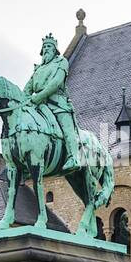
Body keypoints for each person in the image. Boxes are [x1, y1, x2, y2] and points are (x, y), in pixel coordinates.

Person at [24, 33, 83, 172]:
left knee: (66, 127)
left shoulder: (61, 62)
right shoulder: (38, 69)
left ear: (55, 49)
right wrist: (22, 99)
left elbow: (56, 83)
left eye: (49, 46)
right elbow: (27, 88)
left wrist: (39, 96)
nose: (46, 49)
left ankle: (73, 157)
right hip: (38, 106)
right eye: (44, 47)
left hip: (57, 104)